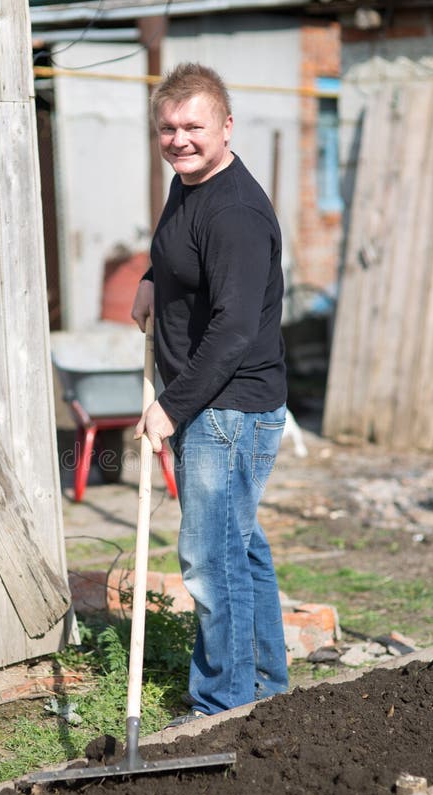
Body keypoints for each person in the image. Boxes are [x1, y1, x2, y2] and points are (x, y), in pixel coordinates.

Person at [131, 62, 288, 724]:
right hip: (215, 404)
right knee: (239, 549)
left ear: (226, 125)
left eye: (192, 126)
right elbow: (178, 252)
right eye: (167, 128)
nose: (179, 139)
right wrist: (149, 278)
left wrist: (171, 406)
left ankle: (223, 706)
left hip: (228, 411)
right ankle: (264, 689)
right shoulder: (190, 184)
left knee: (209, 561)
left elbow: (233, 330)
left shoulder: (237, 212)